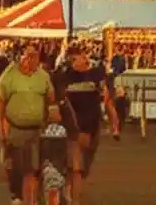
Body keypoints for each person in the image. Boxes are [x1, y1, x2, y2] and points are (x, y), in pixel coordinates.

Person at [57, 44, 120, 203]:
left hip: (93, 125)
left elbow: (106, 99)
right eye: (80, 57)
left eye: (85, 56)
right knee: (76, 165)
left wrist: (114, 124)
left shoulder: (96, 74)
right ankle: (74, 198)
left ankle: (70, 188)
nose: (84, 59)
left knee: (86, 164)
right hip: (74, 127)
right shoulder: (66, 76)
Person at [0, 44, 55, 205]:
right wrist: (2, 129)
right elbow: (0, 102)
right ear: (20, 57)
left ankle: (30, 200)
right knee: (16, 168)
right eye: (28, 56)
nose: (32, 60)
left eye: (35, 56)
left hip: (36, 129)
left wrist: (50, 118)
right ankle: (17, 195)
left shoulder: (42, 76)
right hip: (15, 129)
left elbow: (50, 98)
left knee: (32, 169)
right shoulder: (10, 75)